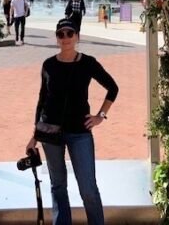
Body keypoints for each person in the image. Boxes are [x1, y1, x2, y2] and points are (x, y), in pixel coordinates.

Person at [26, 18, 118, 225]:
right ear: (57, 38)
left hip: (80, 132)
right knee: (58, 186)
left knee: (88, 187)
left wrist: (100, 116)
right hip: (50, 132)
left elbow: (113, 88)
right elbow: (42, 100)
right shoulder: (48, 65)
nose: (65, 38)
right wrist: (34, 137)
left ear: (77, 37)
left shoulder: (88, 63)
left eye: (70, 33)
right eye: (61, 34)